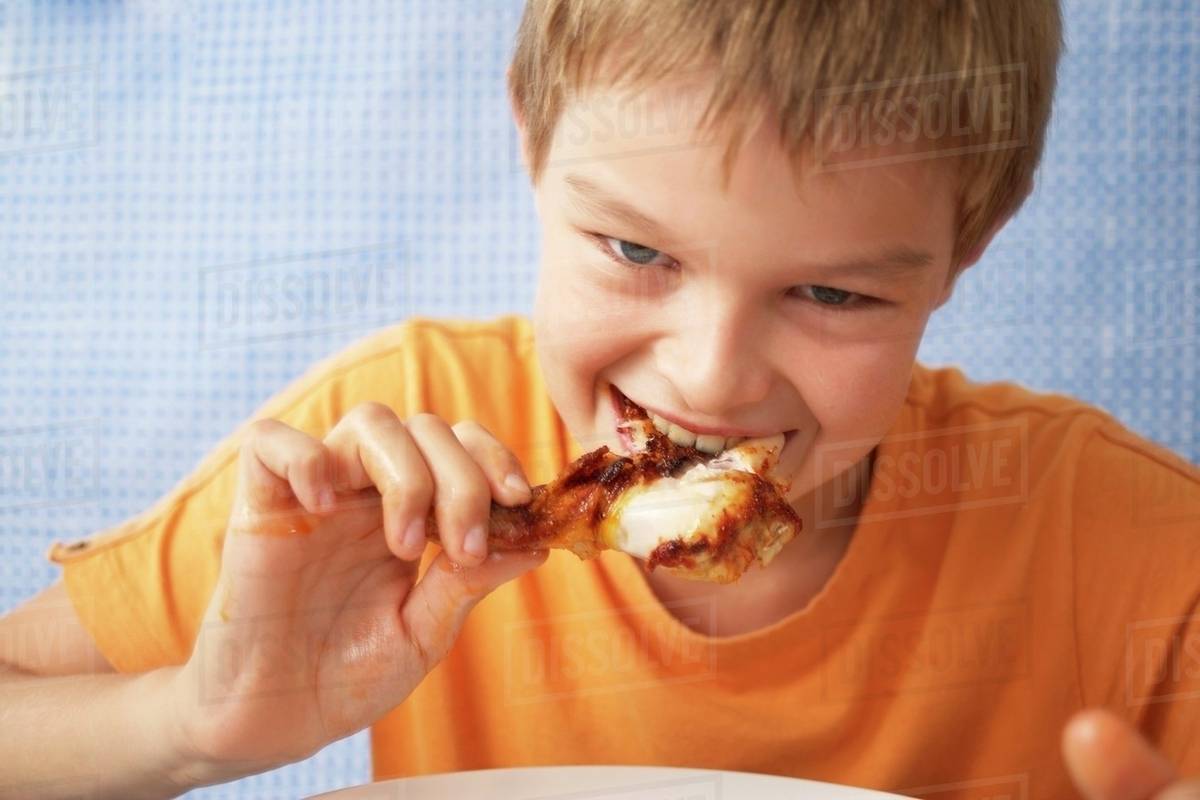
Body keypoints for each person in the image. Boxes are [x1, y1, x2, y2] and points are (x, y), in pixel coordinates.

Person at [2, 1, 1198, 798]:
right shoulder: (388, 462)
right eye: (635, 251)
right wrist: (194, 722)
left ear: (965, 247)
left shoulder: (1115, 537)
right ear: (534, 142)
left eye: (832, 293)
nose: (712, 376)